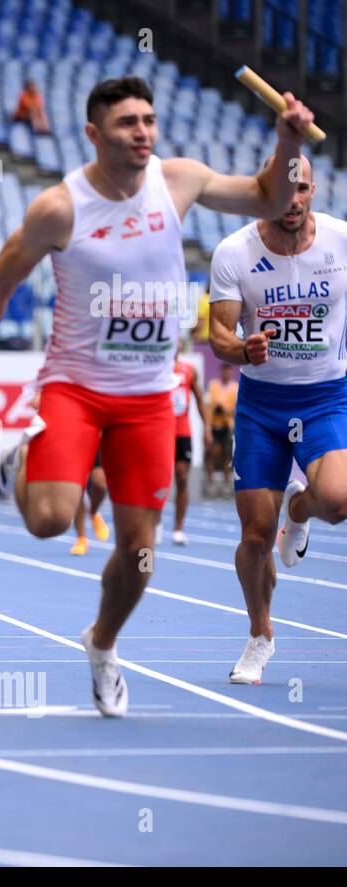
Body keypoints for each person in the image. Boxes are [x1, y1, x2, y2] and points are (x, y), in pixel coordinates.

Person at [0, 75, 314, 717]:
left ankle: (102, 645)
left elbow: (267, 195)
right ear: (94, 134)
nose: (142, 132)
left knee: (139, 557)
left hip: (146, 399)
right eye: (127, 123)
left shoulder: (180, 180)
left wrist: (284, 142)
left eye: (148, 119)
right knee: (51, 519)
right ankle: (21, 461)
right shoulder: (60, 208)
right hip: (76, 389)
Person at [206, 152, 347, 684]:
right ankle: (259, 635)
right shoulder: (233, 253)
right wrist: (244, 349)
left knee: (337, 501)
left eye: (305, 189)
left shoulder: (341, 241)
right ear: (267, 190)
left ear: (315, 190)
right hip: (262, 406)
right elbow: (218, 337)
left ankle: (301, 509)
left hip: (326, 398)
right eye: (286, 190)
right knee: (256, 538)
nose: (295, 200)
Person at [166, 346, 205, 544]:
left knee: (181, 476)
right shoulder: (157, 368)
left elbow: (199, 398)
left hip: (182, 432)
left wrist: (206, 428)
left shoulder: (189, 370)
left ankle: (178, 528)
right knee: (158, 480)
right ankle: (154, 524)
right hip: (161, 431)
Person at [205, 362, 239, 495]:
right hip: (214, 425)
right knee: (211, 454)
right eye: (225, 371)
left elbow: (237, 410)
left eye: (229, 371)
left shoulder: (235, 388)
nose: (227, 373)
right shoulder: (213, 385)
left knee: (227, 456)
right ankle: (210, 484)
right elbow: (207, 404)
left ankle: (226, 484)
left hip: (228, 425)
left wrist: (225, 410)